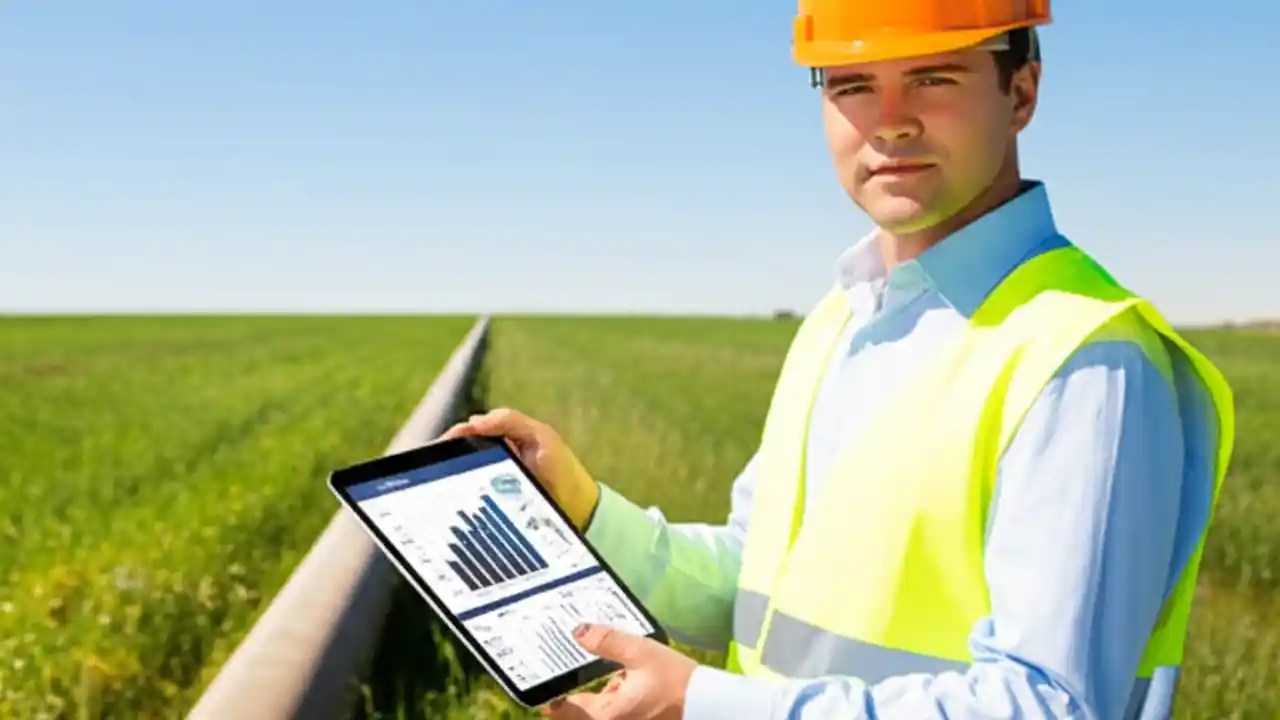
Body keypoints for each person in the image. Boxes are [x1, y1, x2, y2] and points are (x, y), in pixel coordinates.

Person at [442, 2, 1235, 718]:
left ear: (1021, 92)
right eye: (853, 84)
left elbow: (1047, 704)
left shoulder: (1085, 358)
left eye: (932, 77)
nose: (889, 123)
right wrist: (581, 509)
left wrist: (704, 707)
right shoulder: (840, 318)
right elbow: (750, 586)